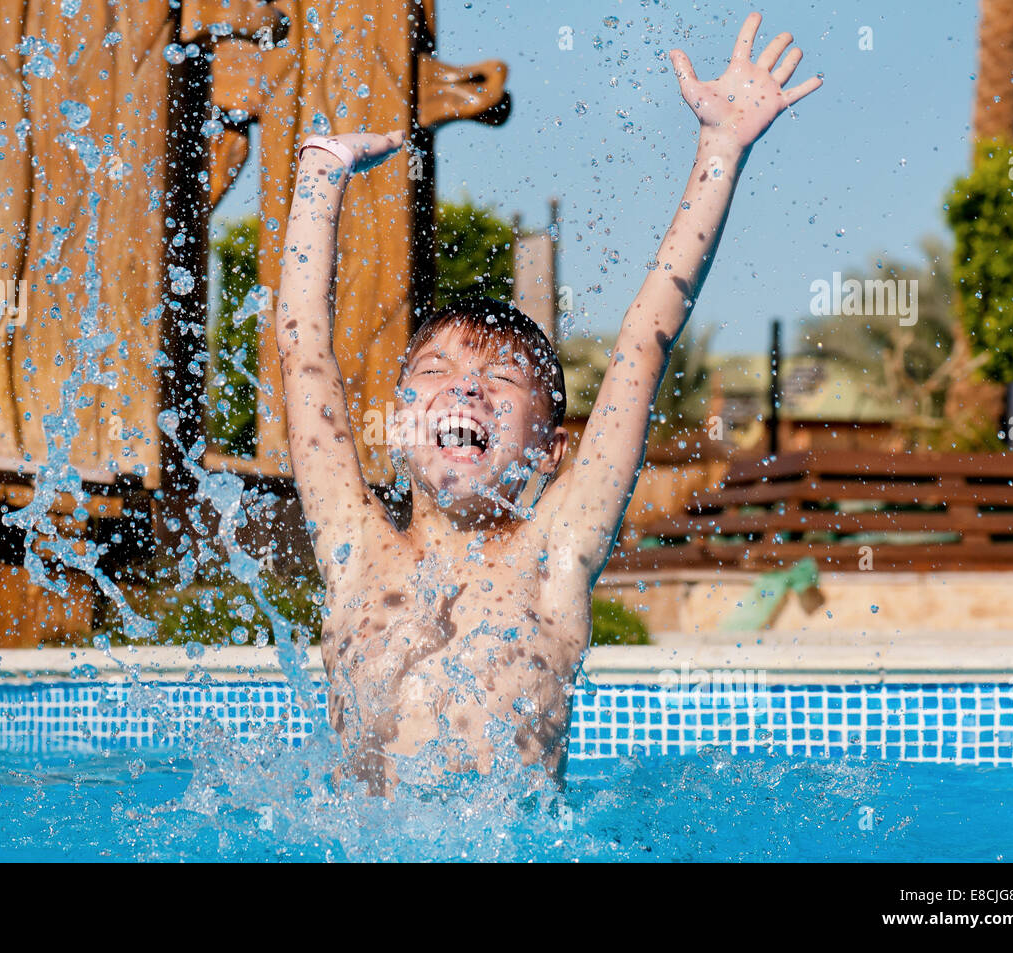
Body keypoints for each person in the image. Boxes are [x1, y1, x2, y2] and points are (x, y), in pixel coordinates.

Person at [275, 11, 821, 797]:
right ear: (397, 423)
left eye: (500, 382)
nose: (465, 385)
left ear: (552, 449)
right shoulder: (355, 549)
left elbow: (645, 341)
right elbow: (304, 354)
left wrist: (720, 151)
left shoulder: (554, 554)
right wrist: (321, 178)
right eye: (435, 371)